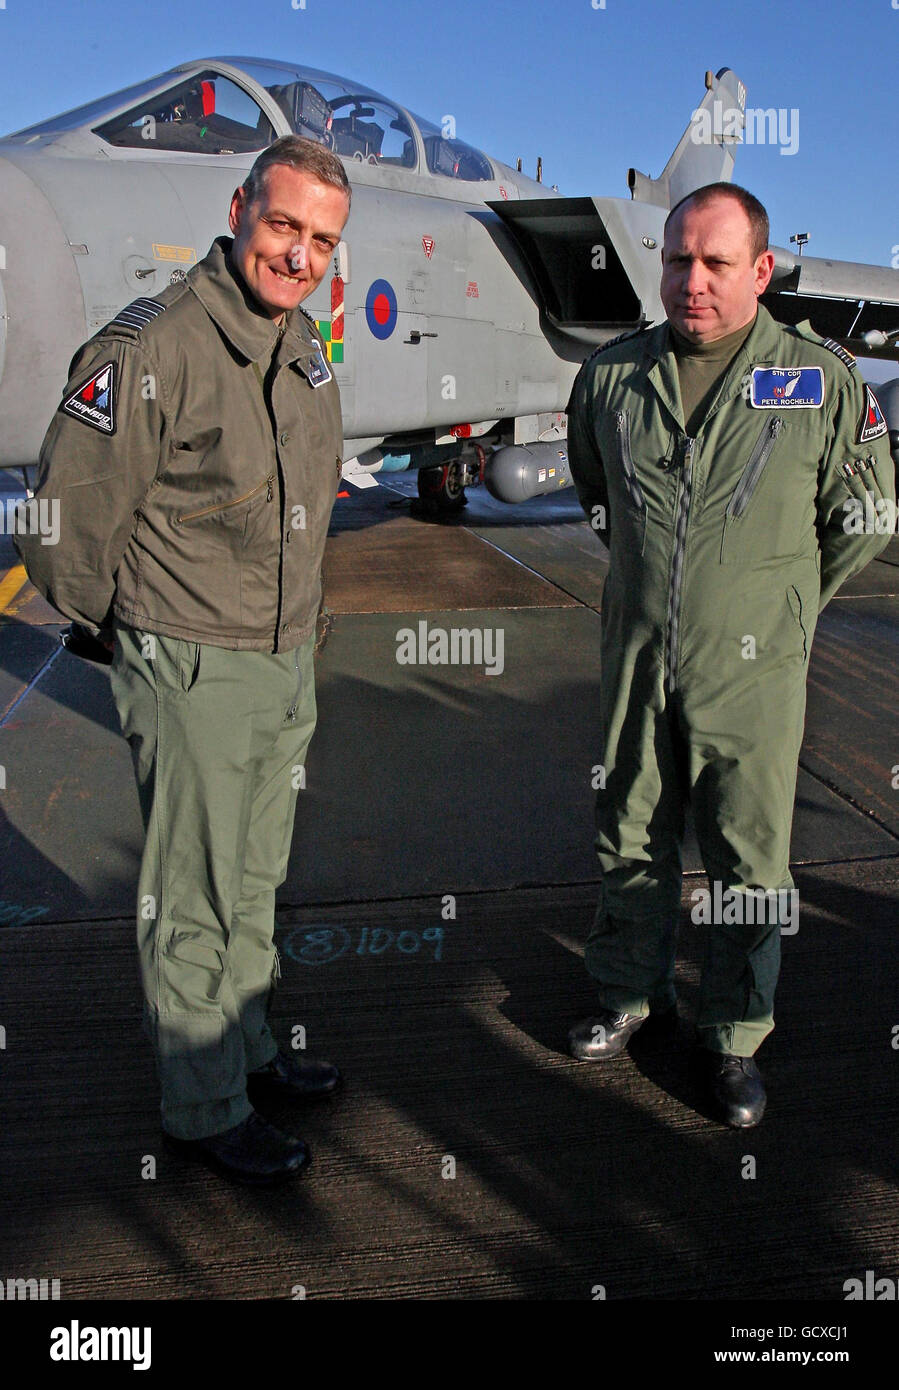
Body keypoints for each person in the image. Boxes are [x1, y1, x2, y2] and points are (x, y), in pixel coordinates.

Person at [16, 136, 352, 1183]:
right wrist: (134, 638)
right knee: (193, 891)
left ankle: (246, 1052)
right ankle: (201, 1107)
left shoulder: (300, 346)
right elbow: (63, 518)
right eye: (285, 225)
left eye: (322, 242)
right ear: (241, 206)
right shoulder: (153, 346)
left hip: (282, 657)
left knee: (252, 880)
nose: (299, 256)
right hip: (194, 660)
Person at [565, 182, 895, 1127]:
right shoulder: (613, 378)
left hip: (753, 672)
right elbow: (600, 498)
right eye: (677, 260)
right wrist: (654, 587)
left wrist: (782, 602)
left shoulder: (817, 378)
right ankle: (628, 993)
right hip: (637, 655)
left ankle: (735, 1032)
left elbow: (865, 517)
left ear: (759, 271)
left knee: (750, 856)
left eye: (715, 263)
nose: (692, 282)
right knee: (628, 826)